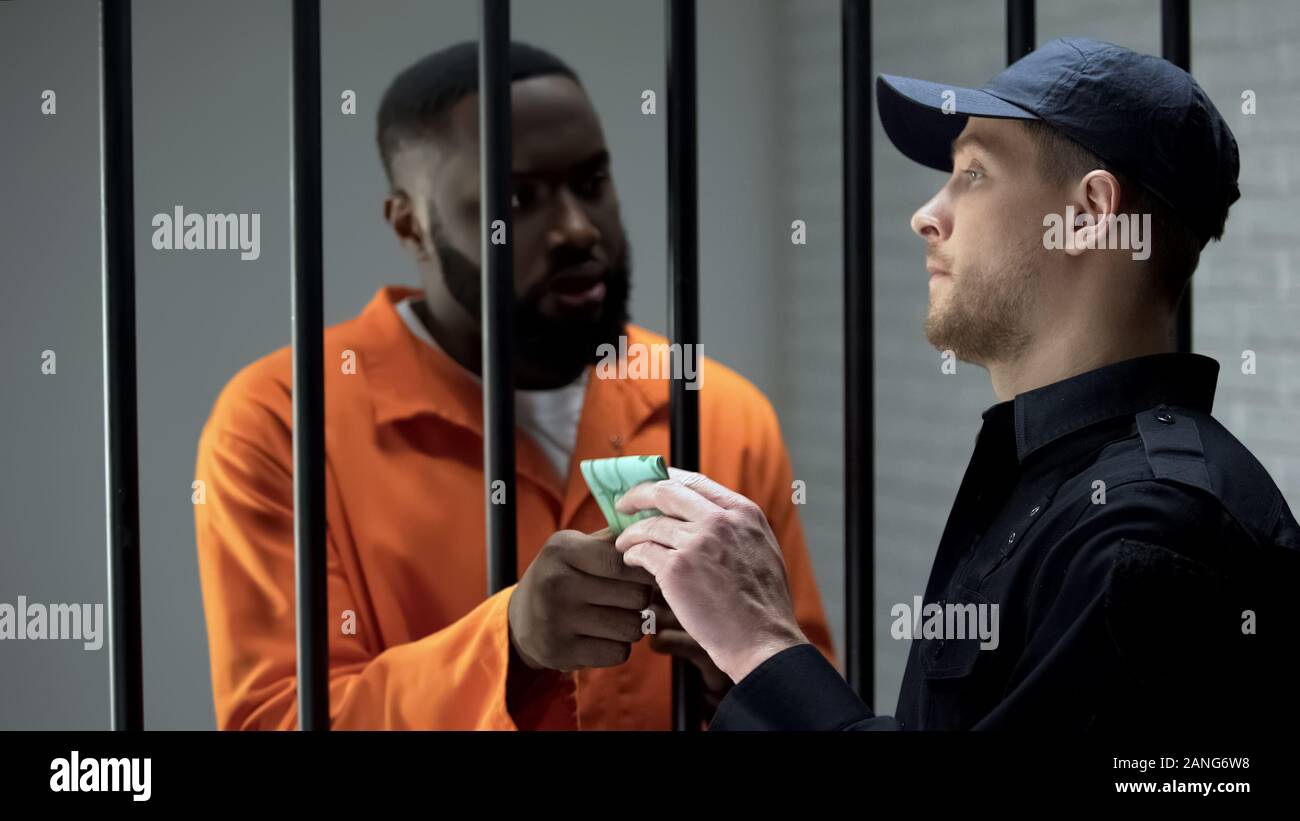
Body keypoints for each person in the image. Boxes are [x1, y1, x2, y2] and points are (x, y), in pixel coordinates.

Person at [613, 37, 1300, 730]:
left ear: (1090, 212)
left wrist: (761, 643)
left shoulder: (1151, 529)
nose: (926, 214)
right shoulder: (1055, 480)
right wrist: (742, 670)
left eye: (972, 174)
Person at [193, 41, 833, 730]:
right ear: (411, 224)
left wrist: (740, 680)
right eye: (516, 198)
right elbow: (276, 719)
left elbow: (814, 698)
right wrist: (511, 645)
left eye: (592, 182)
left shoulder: (720, 411)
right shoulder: (284, 422)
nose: (577, 228)